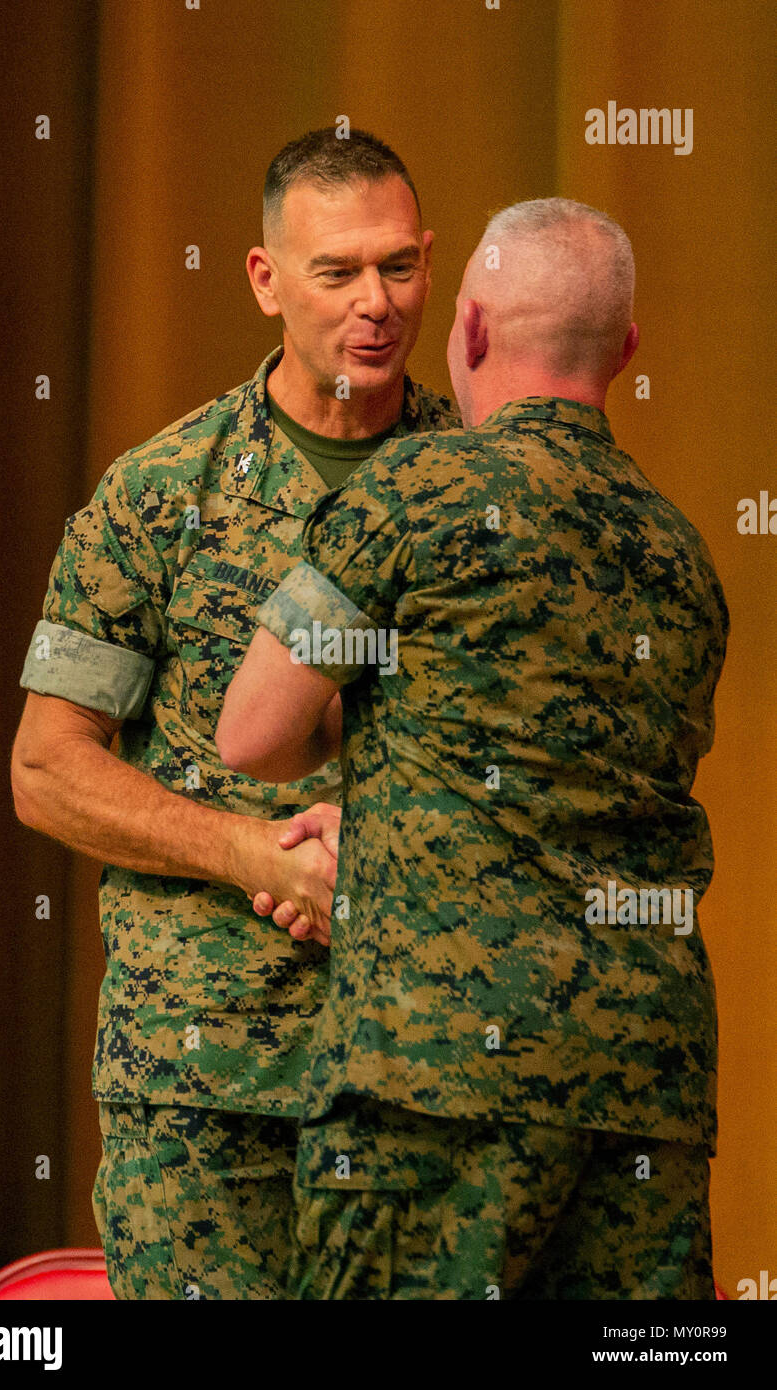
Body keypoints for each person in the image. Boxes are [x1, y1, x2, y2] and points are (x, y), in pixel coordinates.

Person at [216, 197, 730, 1300]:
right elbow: (579, 772)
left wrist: (383, 770)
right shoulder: (682, 557)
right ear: (624, 351)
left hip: (436, 1077)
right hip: (646, 1082)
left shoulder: (416, 491)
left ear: (475, 332)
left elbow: (254, 732)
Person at [10, 126, 459, 1300]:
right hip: (204, 1086)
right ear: (264, 280)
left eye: (399, 267)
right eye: (337, 272)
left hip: (435, 1072)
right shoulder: (162, 493)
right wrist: (248, 850)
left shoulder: (481, 490)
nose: (376, 303)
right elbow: (47, 767)